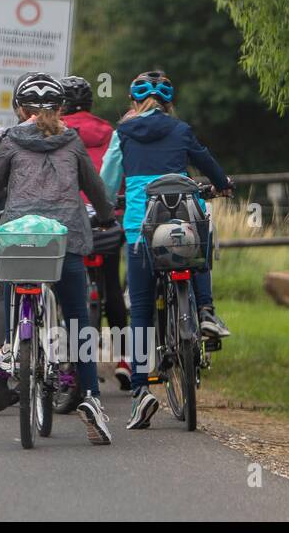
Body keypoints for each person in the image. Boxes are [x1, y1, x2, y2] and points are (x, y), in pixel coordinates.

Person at [0, 73, 117, 446]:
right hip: (66, 239)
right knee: (78, 316)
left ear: (19, 108)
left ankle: (1, 374)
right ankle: (92, 400)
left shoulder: (11, 141)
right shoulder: (73, 141)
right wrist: (106, 214)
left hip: (20, 239)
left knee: (4, 293)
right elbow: (95, 187)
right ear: (61, 108)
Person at [99, 70, 233, 430]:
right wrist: (222, 184)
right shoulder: (180, 130)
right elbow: (205, 161)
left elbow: (109, 181)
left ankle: (142, 390)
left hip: (143, 229)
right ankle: (204, 311)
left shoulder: (123, 133)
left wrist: (105, 205)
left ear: (133, 102)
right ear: (169, 103)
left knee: (141, 310)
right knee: (197, 244)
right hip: (181, 220)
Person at [61, 74, 132, 390]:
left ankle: (64, 357)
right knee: (112, 288)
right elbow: (119, 172)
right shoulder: (109, 130)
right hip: (107, 215)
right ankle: (124, 359)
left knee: (62, 287)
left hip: (69, 218)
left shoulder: (56, 131)